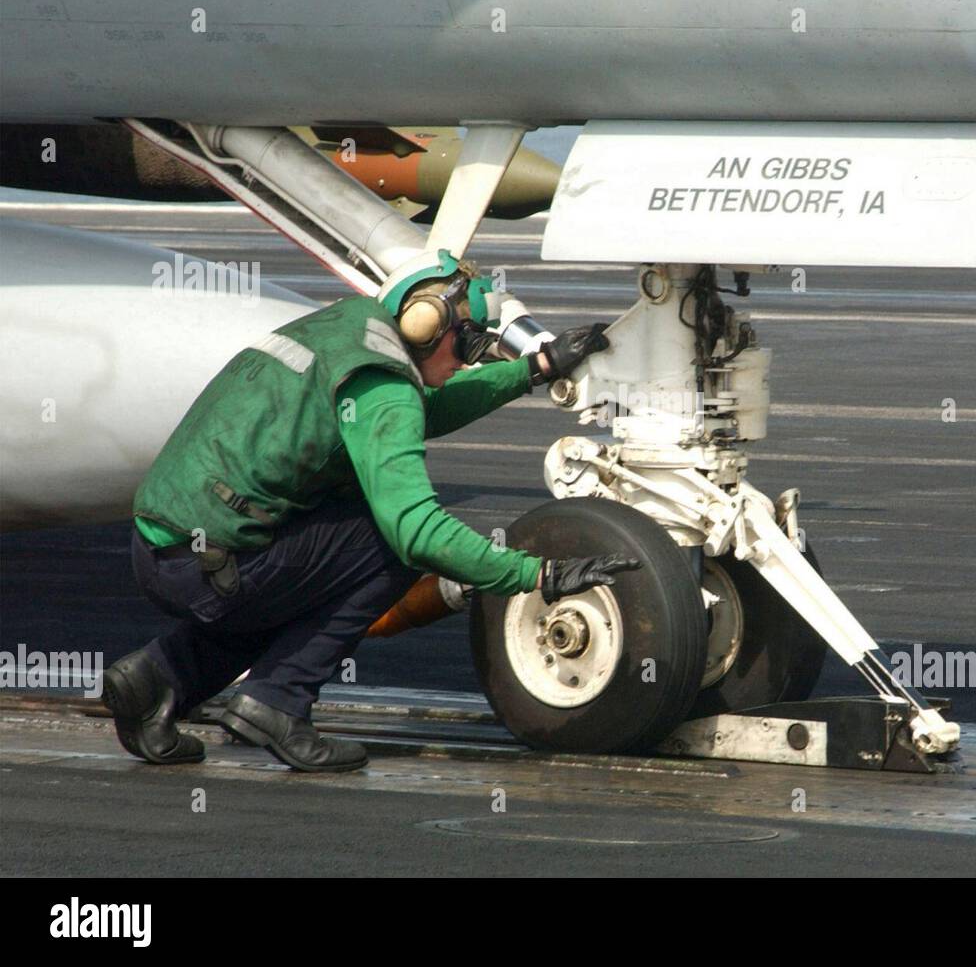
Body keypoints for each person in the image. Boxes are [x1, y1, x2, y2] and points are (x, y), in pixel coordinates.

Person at [103, 257, 637, 771]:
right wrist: (534, 574)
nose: (469, 359)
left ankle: (157, 678)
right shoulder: (383, 387)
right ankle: (277, 701)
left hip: (166, 548)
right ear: (427, 324)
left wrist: (534, 369)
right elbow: (418, 531)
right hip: (211, 569)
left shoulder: (350, 326)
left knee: (312, 564)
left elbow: (427, 404)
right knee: (388, 544)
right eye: (468, 341)